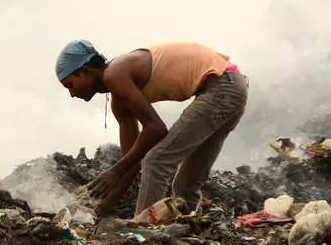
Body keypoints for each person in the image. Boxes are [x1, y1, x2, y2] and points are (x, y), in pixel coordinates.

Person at [55, 40, 248, 221]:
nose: (72, 94)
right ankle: (183, 226)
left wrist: (114, 171)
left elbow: (156, 129)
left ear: (85, 71)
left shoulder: (115, 74)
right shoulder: (119, 99)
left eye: (70, 85)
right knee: (185, 184)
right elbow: (131, 162)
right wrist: (99, 209)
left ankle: (144, 230)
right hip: (233, 87)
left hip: (222, 86)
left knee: (156, 160)